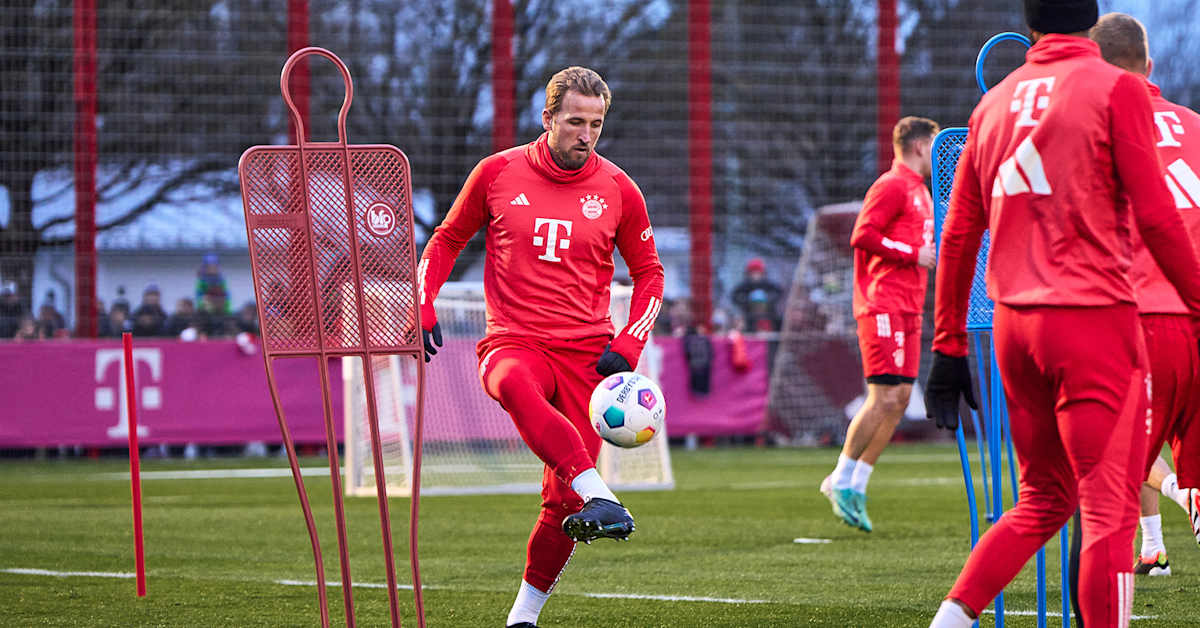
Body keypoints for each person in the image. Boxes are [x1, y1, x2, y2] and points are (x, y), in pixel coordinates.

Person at [925, 2, 1200, 626]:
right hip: (1093, 318)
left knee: (1043, 499)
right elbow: (1156, 217)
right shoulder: (1115, 88)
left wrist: (946, 345)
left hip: (1015, 326)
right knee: (1108, 509)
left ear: (1031, 24)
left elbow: (960, 234)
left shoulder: (992, 104)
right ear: (1091, 19)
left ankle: (951, 619)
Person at [417, 66, 663, 628]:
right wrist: (423, 297)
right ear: (547, 117)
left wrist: (630, 341)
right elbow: (449, 237)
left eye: (596, 124)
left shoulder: (620, 188)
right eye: (575, 121)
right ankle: (603, 493)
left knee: (561, 504)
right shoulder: (497, 172)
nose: (586, 134)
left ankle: (522, 620)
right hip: (514, 339)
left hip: (587, 354)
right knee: (512, 385)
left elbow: (649, 272)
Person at [1091, 11, 1200, 576]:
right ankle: (1154, 544)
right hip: (1193, 305)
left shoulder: (1102, 127)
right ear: (1150, 66)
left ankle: (1180, 498)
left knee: (1116, 452)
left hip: (1144, 308)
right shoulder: (1195, 122)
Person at [820, 116, 938, 533]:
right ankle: (840, 476)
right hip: (882, 303)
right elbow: (863, 235)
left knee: (903, 398)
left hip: (908, 306)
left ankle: (858, 483)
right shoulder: (891, 185)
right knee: (883, 396)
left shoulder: (921, 192)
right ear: (920, 145)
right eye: (935, 144)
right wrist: (912, 253)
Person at [730, 258, 783, 332]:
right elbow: (734, 295)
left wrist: (769, 301)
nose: (755, 275)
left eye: (758, 272)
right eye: (753, 272)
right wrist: (746, 302)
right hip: (750, 315)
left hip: (767, 315)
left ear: (762, 273)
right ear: (749, 273)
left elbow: (779, 292)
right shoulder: (746, 285)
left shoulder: (767, 284)